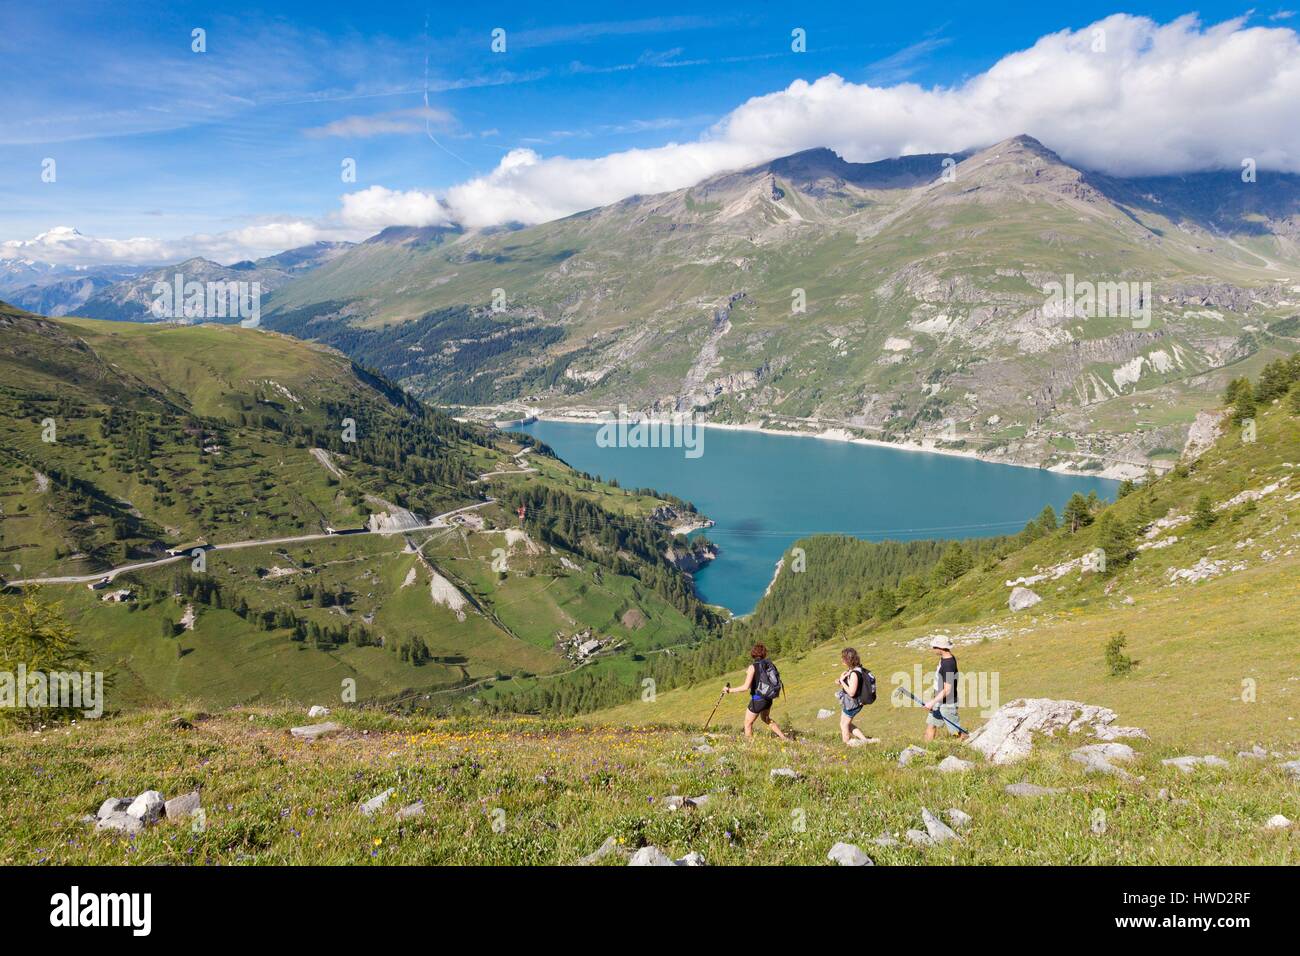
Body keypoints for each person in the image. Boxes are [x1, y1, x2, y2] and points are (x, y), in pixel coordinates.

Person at [723, 643, 790, 740]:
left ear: (753, 654)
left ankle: (749, 746)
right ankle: (784, 738)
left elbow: (746, 687)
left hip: (758, 699)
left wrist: (729, 690)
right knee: (766, 718)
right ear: (764, 654)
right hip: (768, 698)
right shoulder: (767, 665)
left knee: (748, 723)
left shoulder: (752, 667)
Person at [922, 635, 967, 741]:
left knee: (956, 733)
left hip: (948, 704)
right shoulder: (944, 659)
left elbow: (947, 689)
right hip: (939, 701)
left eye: (934, 647)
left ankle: (965, 744)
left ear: (941, 648)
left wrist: (932, 702)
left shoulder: (948, 665)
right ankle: (926, 752)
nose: (933, 649)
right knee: (931, 725)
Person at [835, 647, 874, 746]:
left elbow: (852, 693)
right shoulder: (855, 669)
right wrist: (840, 681)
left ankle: (847, 744)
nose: (841, 660)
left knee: (844, 725)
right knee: (845, 723)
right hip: (850, 702)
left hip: (853, 703)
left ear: (848, 660)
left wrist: (842, 681)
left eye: (843, 658)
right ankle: (865, 740)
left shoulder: (854, 674)